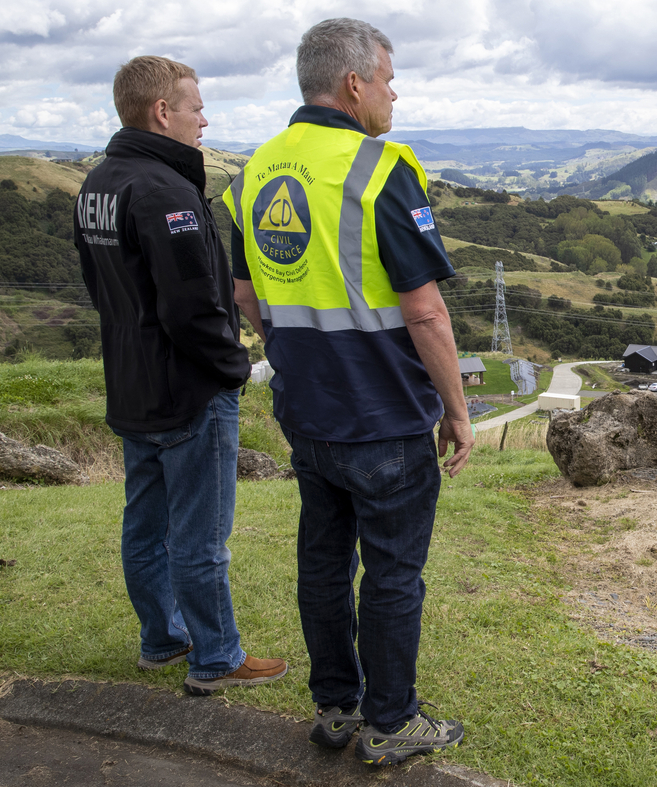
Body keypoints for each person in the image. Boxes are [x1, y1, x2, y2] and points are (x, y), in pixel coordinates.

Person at [228, 18, 474, 766]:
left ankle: (336, 707)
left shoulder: (254, 173)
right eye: (390, 81)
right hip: (386, 415)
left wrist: (293, 350)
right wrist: (457, 410)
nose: (394, 96)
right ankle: (392, 719)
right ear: (355, 83)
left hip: (308, 414)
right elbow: (425, 308)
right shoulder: (379, 168)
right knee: (394, 570)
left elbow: (245, 293)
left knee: (325, 562)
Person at [75, 55, 288, 696]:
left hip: (132, 383)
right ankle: (217, 657)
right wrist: (231, 369)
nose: (205, 118)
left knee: (145, 524)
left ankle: (162, 639)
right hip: (188, 391)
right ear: (163, 111)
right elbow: (192, 305)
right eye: (196, 106)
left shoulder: (98, 184)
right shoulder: (167, 192)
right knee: (200, 536)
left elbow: (105, 290)